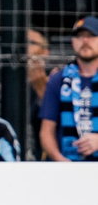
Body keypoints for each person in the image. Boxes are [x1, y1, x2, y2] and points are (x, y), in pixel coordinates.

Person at [39, 16, 98, 162]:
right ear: (73, 42)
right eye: (80, 36)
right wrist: (62, 162)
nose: (85, 41)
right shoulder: (58, 80)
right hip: (68, 166)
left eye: (91, 35)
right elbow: (46, 131)